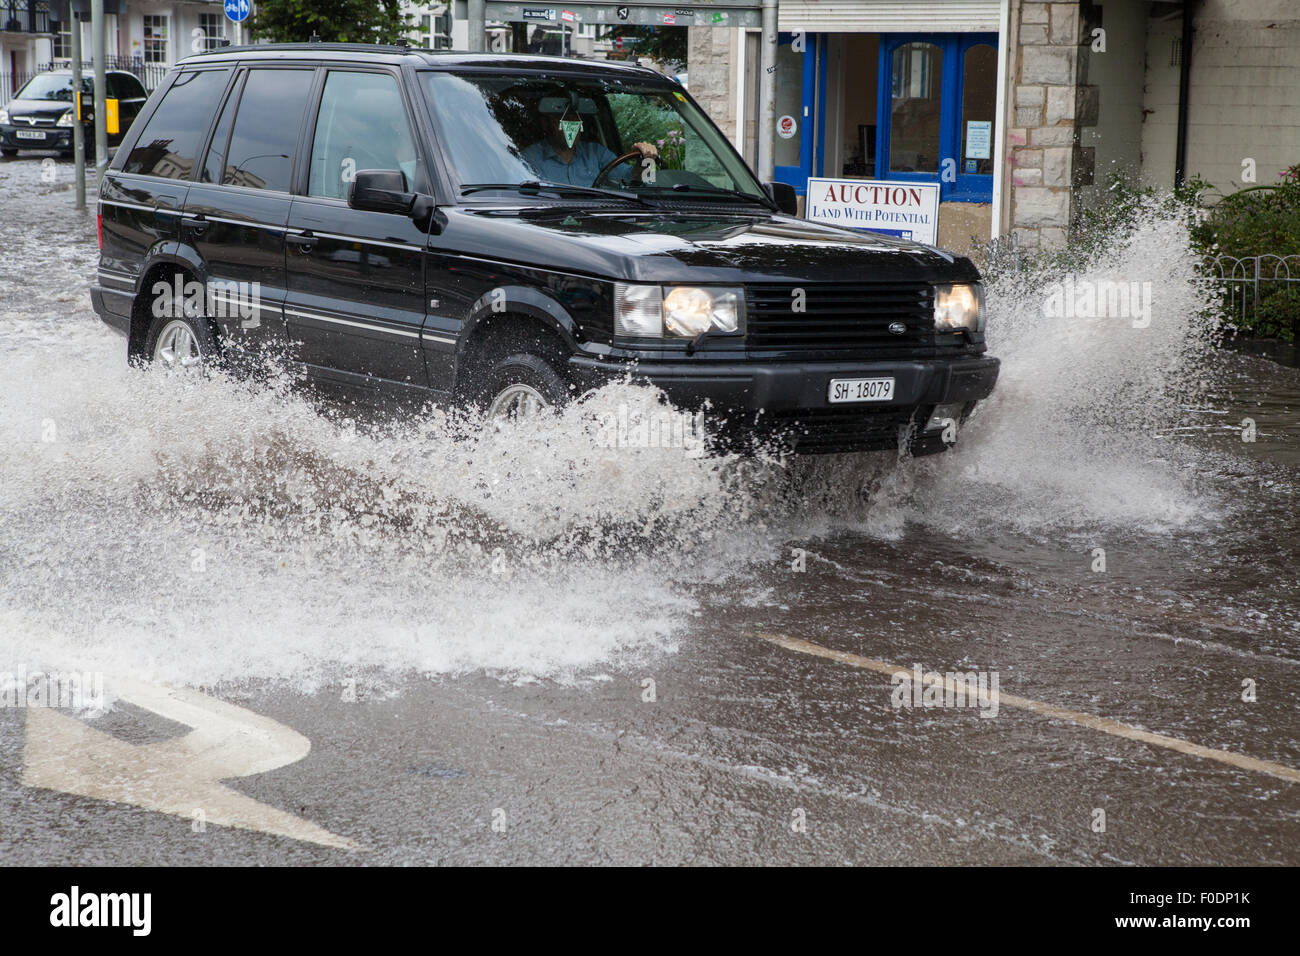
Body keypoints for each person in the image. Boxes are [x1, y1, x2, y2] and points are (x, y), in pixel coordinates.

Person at [521, 97, 659, 187]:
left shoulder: (597, 153)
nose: (572, 124)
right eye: (564, 119)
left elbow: (630, 178)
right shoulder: (530, 158)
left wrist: (646, 159)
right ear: (546, 124)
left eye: (576, 118)